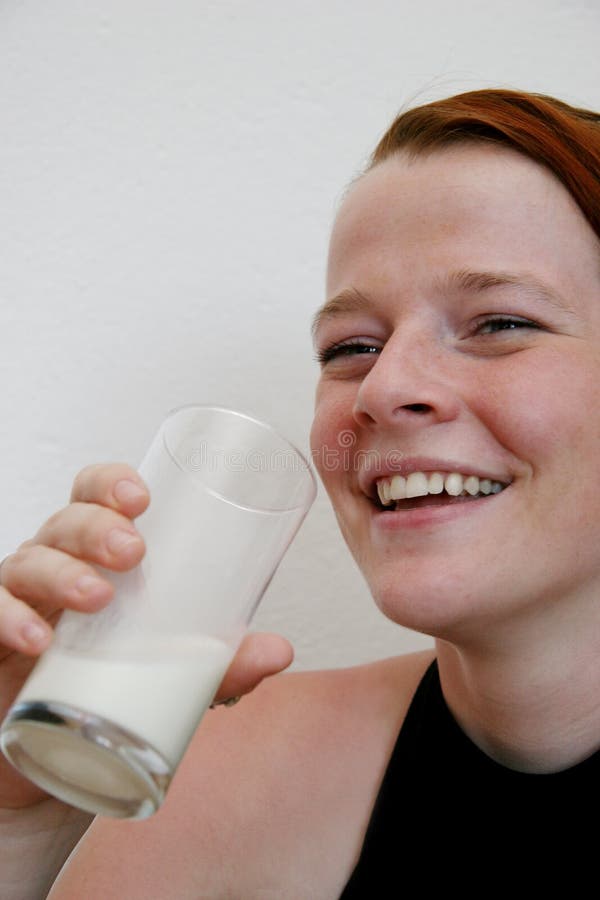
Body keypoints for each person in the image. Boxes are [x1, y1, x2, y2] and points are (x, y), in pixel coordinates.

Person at [1, 86, 599, 898]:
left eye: (499, 323)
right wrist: (18, 827)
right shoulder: (210, 783)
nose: (383, 388)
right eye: (351, 345)